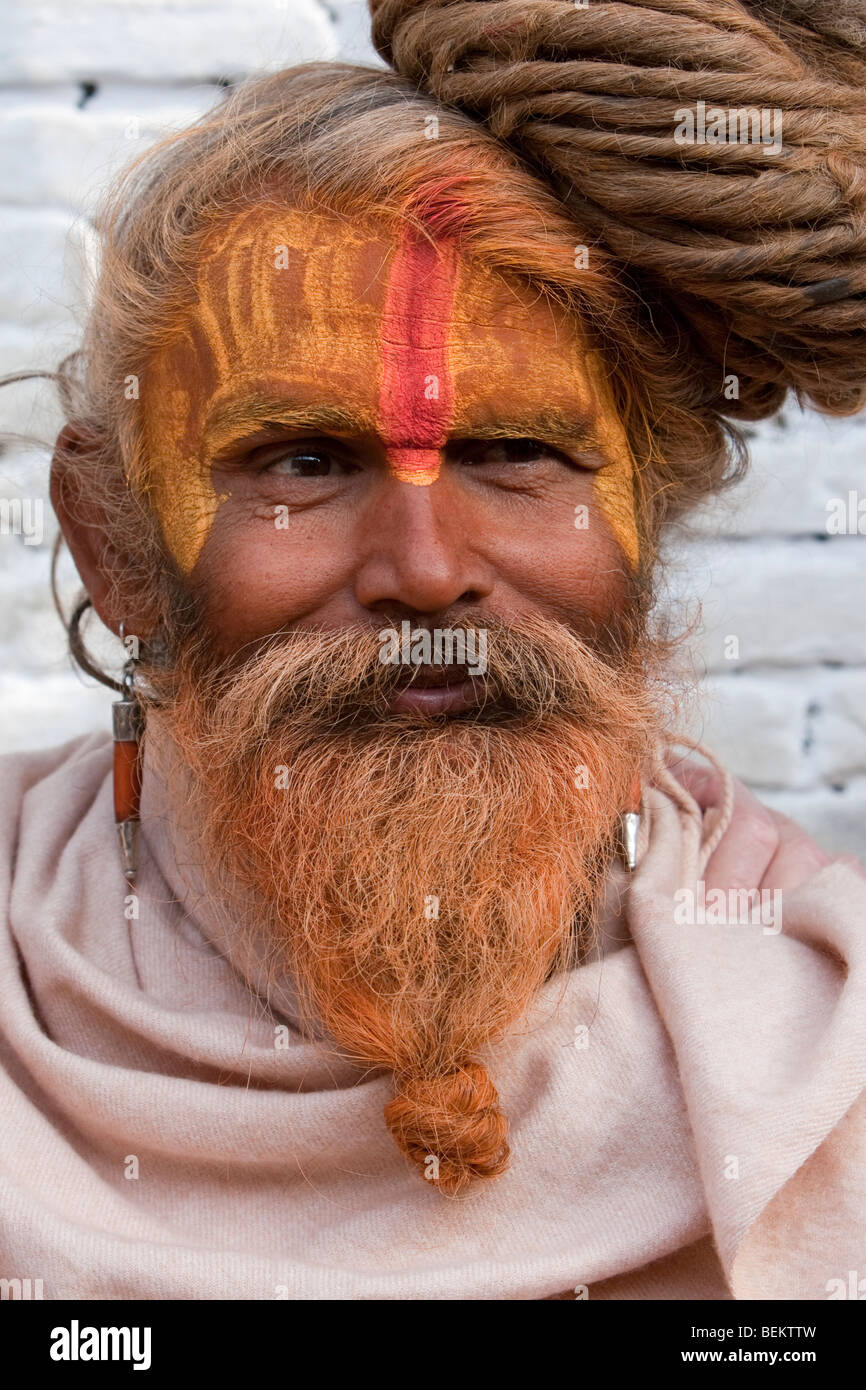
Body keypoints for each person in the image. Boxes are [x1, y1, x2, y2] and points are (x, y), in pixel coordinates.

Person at [1, 0, 865, 1301]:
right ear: (115, 549)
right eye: (302, 460)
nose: (423, 566)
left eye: (516, 452)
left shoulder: (820, 1038)